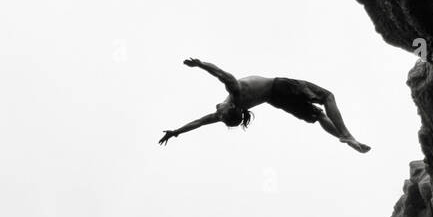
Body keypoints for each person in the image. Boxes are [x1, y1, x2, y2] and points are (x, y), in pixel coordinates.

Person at [159, 58, 371, 153]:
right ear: (232, 111)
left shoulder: (234, 99)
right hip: (278, 89)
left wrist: (177, 132)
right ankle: (346, 135)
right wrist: (200, 65)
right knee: (327, 97)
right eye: (221, 115)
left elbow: (200, 120)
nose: (217, 112)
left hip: (277, 98)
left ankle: (345, 138)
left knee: (320, 117)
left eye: (220, 115)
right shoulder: (235, 95)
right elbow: (220, 75)